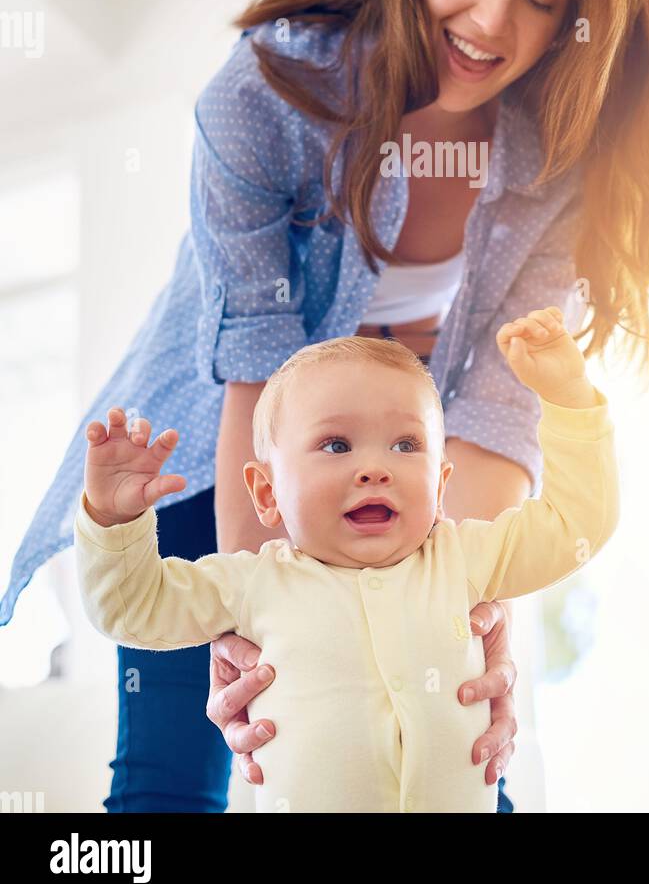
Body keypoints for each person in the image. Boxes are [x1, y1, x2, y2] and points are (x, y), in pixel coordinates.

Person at [0, 0, 649, 812]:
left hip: (410, 486)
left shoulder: (557, 165)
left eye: (542, 0)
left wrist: (453, 597)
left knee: (459, 745)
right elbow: (258, 365)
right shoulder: (271, 93)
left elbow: (501, 412)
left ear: (573, 22)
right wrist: (255, 609)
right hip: (216, 457)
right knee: (169, 782)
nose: (494, 20)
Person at [74, 308, 618, 813]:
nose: (375, 469)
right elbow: (133, 610)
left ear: (440, 485)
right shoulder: (249, 583)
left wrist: (571, 401)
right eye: (336, 445)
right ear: (266, 494)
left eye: (406, 445)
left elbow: (576, 525)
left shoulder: (463, 559)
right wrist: (115, 522)